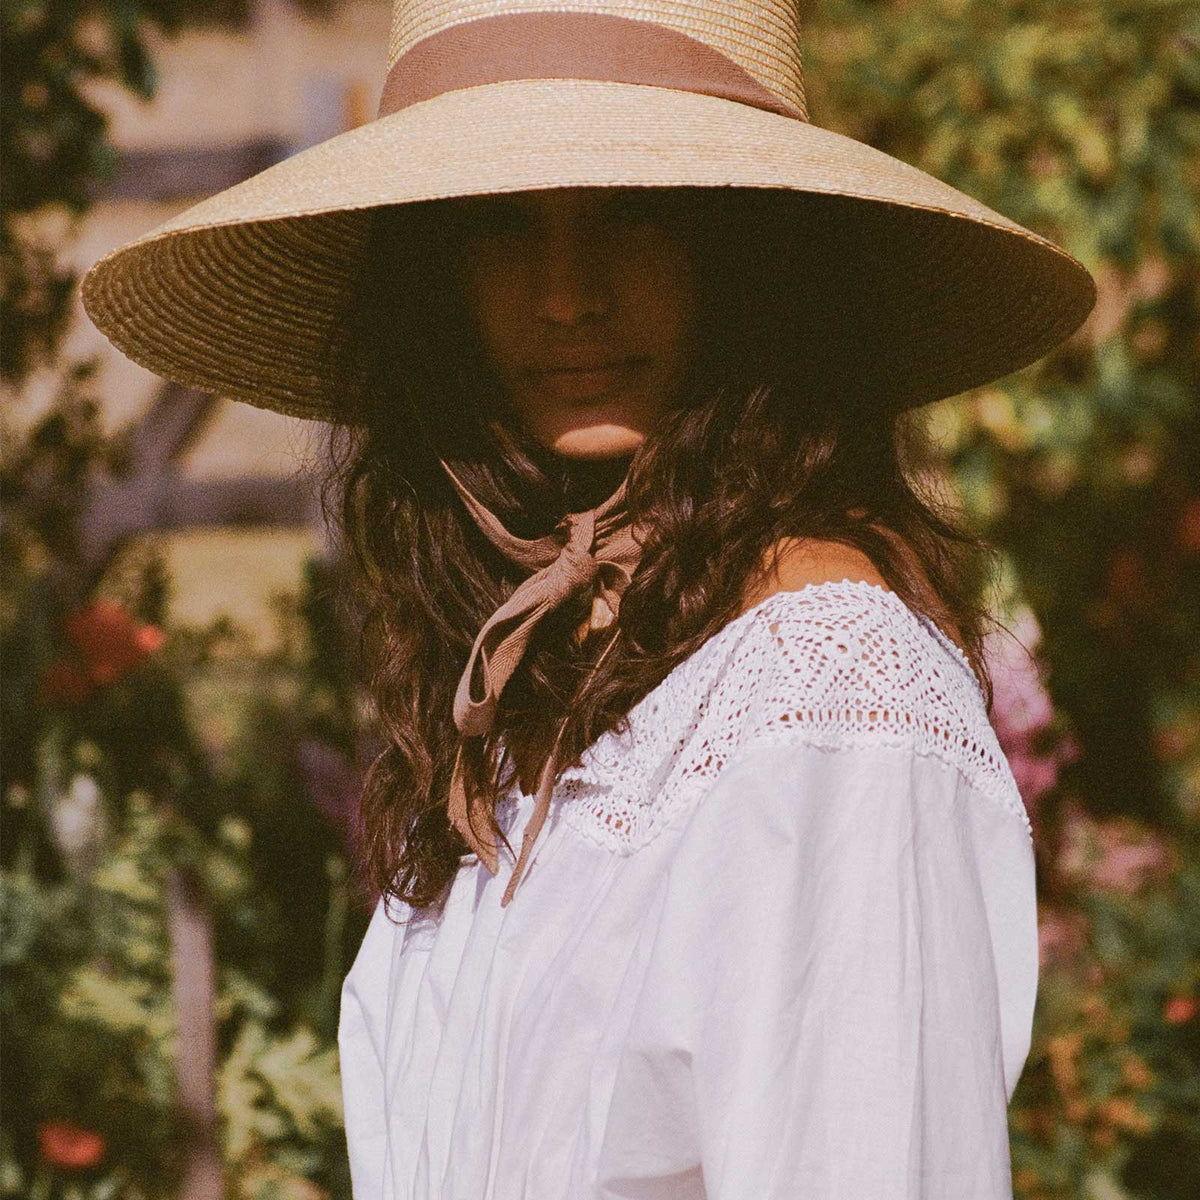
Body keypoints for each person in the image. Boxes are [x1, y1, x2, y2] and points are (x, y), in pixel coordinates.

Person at [80, 2, 1097, 1196]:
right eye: (503, 222)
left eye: (639, 210)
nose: (566, 295)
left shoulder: (822, 704)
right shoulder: (546, 676)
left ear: (754, 252)